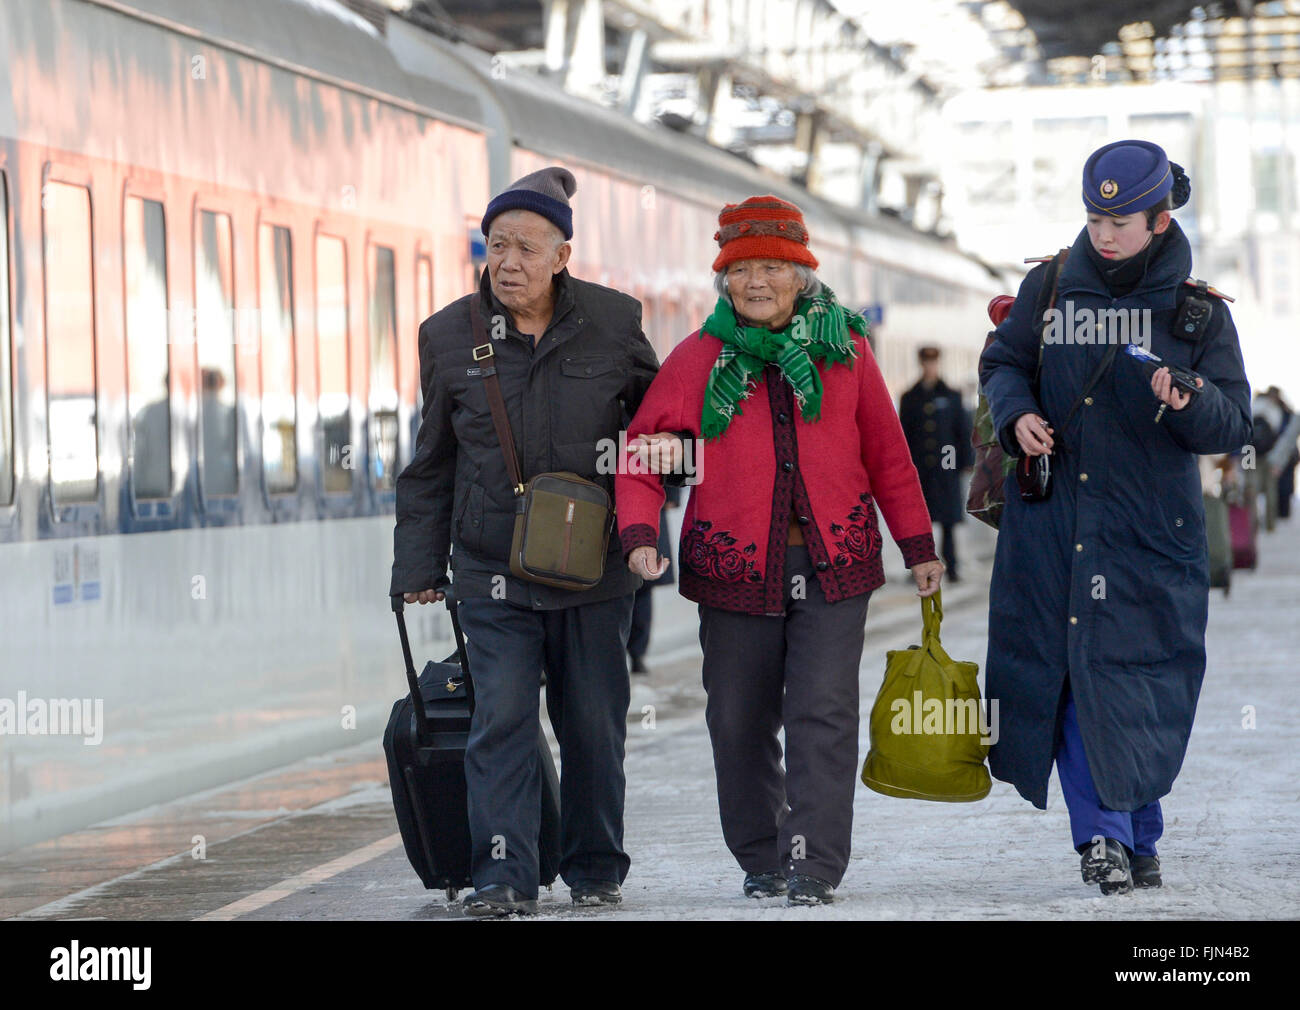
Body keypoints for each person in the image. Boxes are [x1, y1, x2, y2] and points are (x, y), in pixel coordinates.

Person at [616, 195, 943, 906]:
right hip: (733, 566)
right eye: (740, 270)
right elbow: (638, 452)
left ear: (803, 276)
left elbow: (889, 456)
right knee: (739, 717)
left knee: (821, 713)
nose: (755, 282)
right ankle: (762, 855)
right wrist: (641, 536)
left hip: (836, 563)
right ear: (723, 280)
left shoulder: (847, 350)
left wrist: (918, 544)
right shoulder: (699, 358)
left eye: (772, 267)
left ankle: (813, 864)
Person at [389, 167, 681, 916]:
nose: (508, 261)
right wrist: (418, 565)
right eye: (497, 245)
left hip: (594, 566)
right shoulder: (449, 335)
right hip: (490, 567)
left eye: (526, 247)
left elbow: (655, 437)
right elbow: (431, 462)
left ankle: (593, 868)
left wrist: (651, 514)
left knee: (590, 724)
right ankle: (503, 878)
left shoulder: (615, 322)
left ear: (562, 257)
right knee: (502, 722)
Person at [979, 140, 1251, 894]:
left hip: (1149, 532)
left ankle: (1140, 834)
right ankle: (1100, 837)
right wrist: (1018, 414)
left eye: (1121, 220)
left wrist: (1188, 396)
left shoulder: (1195, 313)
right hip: (1055, 522)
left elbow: (1235, 426)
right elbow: (1002, 362)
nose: (1103, 233)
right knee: (1066, 675)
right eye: (1095, 217)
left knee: (1141, 681)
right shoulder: (1051, 287)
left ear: (1160, 220)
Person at [899, 346, 973, 581]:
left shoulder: (951, 395)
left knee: (948, 521)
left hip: (946, 469)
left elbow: (962, 431)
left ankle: (952, 566)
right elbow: (904, 434)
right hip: (920, 469)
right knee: (920, 521)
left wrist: (966, 461)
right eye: (926, 363)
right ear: (920, 364)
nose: (929, 367)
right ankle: (920, 566)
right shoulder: (910, 397)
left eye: (933, 363)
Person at [626, 484, 681, 675]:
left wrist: (672, 492)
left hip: (649, 502)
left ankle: (637, 654)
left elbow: (671, 455)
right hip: (610, 502)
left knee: (643, 585)